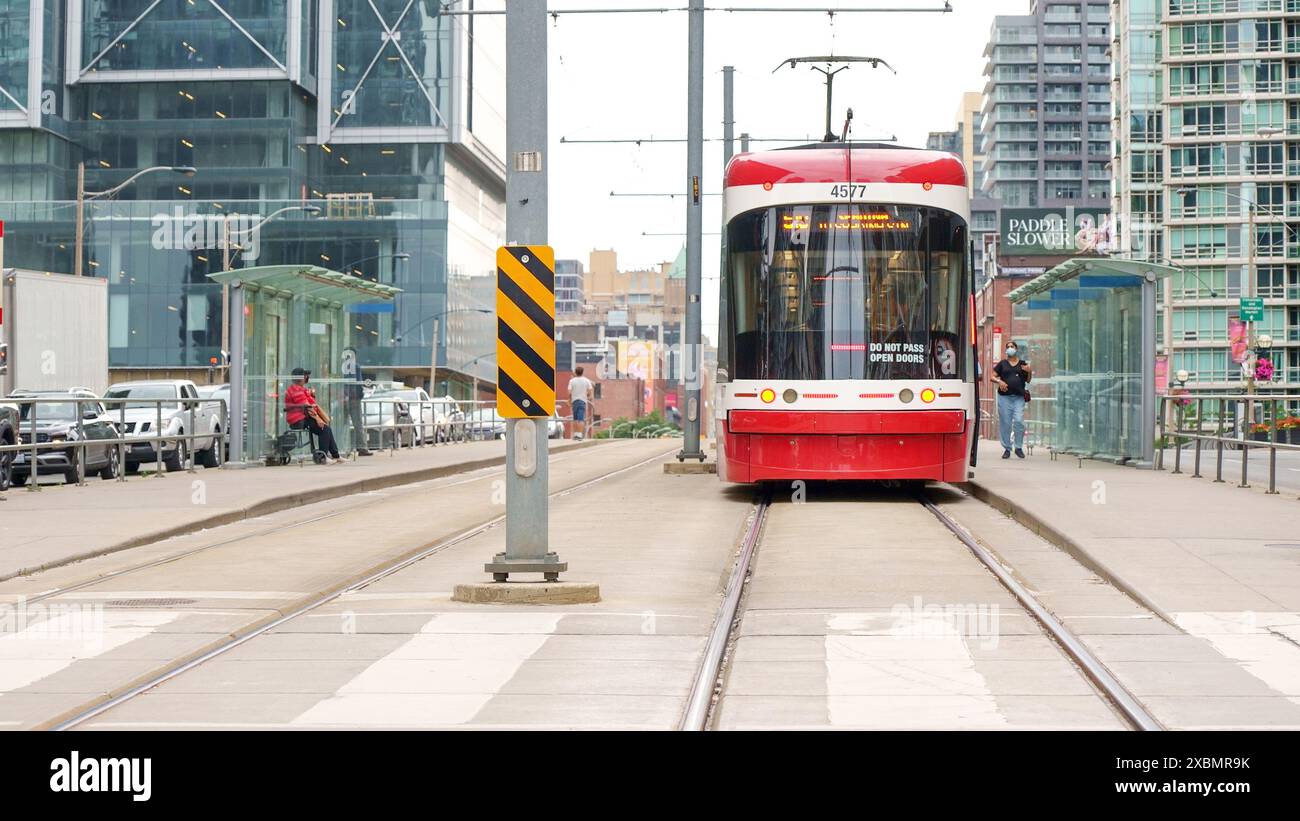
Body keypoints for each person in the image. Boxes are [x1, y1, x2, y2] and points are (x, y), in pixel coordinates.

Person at [285, 367, 344, 464]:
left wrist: (311, 396)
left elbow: (311, 404)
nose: (307, 378)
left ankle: (335, 455)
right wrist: (317, 419)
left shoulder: (301, 389)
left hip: (304, 418)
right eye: (305, 376)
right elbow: (307, 406)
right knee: (324, 429)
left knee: (326, 429)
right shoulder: (296, 390)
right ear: (300, 378)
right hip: (299, 420)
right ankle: (323, 457)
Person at [991, 342, 1032, 459]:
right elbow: (992, 376)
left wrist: (1029, 371)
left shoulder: (1022, 364)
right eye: (1008, 347)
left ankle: (1018, 447)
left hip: (1019, 398)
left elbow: (1028, 380)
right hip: (1004, 398)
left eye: (1012, 347)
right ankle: (1007, 448)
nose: (1010, 349)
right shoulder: (1002, 364)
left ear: (1016, 349)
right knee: (1006, 423)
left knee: (1019, 421)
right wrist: (999, 381)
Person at [568, 366, 593, 440]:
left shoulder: (572, 381)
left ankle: (575, 434)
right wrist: (588, 396)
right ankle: (579, 435)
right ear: (582, 372)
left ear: (575, 372)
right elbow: (590, 391)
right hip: (582, 401)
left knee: (575, 418)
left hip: (574, 401)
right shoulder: (586, 381)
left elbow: (569, 392)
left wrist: (569, 400)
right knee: (581, 419)